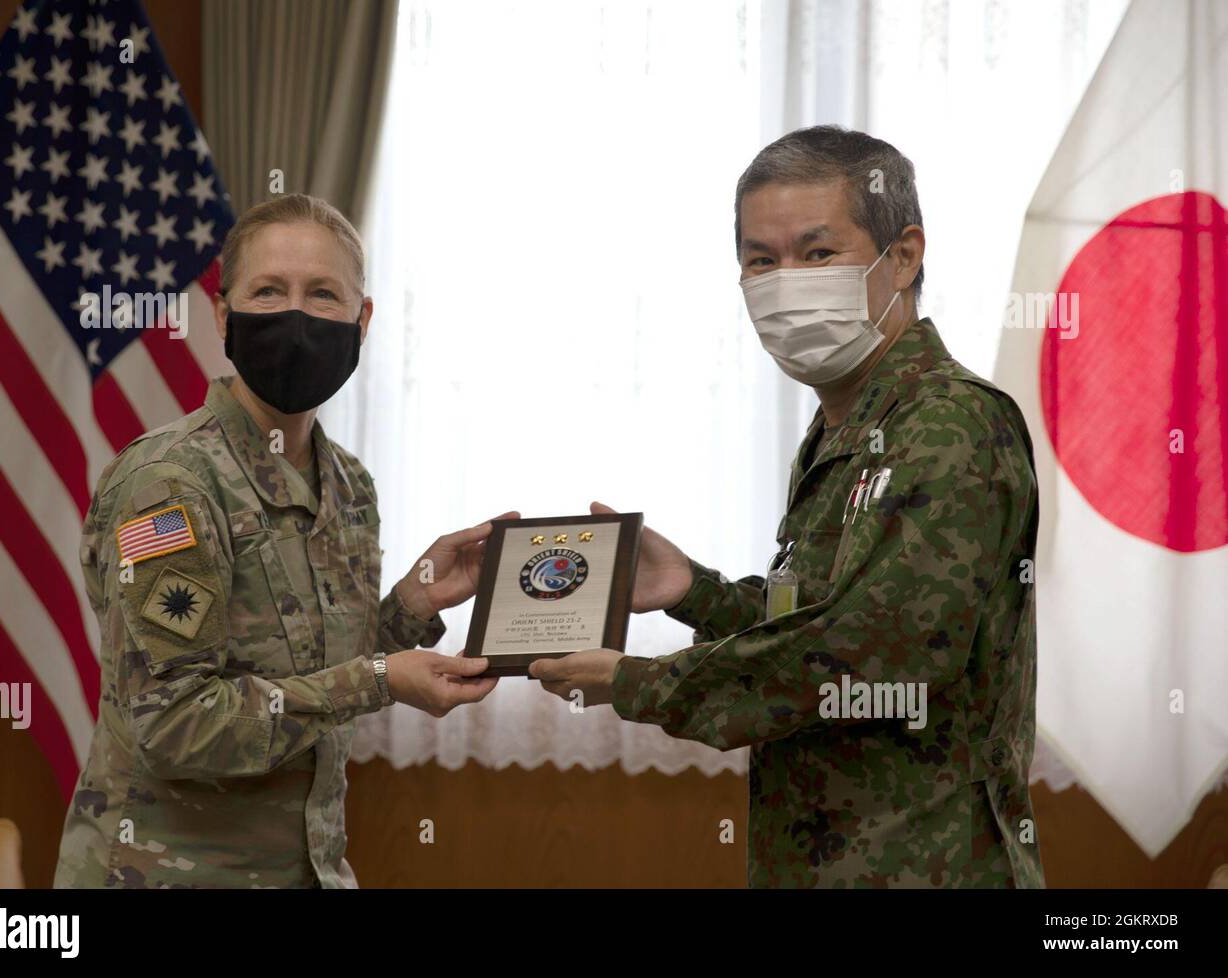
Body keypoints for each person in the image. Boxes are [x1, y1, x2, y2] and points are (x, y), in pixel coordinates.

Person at [532, 126, 1045, 888]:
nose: (785, 281)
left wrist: (640, 682)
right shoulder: (845, 425)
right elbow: (820, 615)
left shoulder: (947, 421)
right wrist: (694, 592)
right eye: (760, 260)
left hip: (928, 865)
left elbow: (875, 649)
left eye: (817, 253)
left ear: (903, 255)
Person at [55, 194, 507, 888]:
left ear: (363, 320)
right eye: (269, 290)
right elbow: (174, 723)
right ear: (223, 314)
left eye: (323, 294)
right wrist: (383, 679)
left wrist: (414, 605)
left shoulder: (348, 484)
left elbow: (323, 673)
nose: (296, 316)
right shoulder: (169, 484)